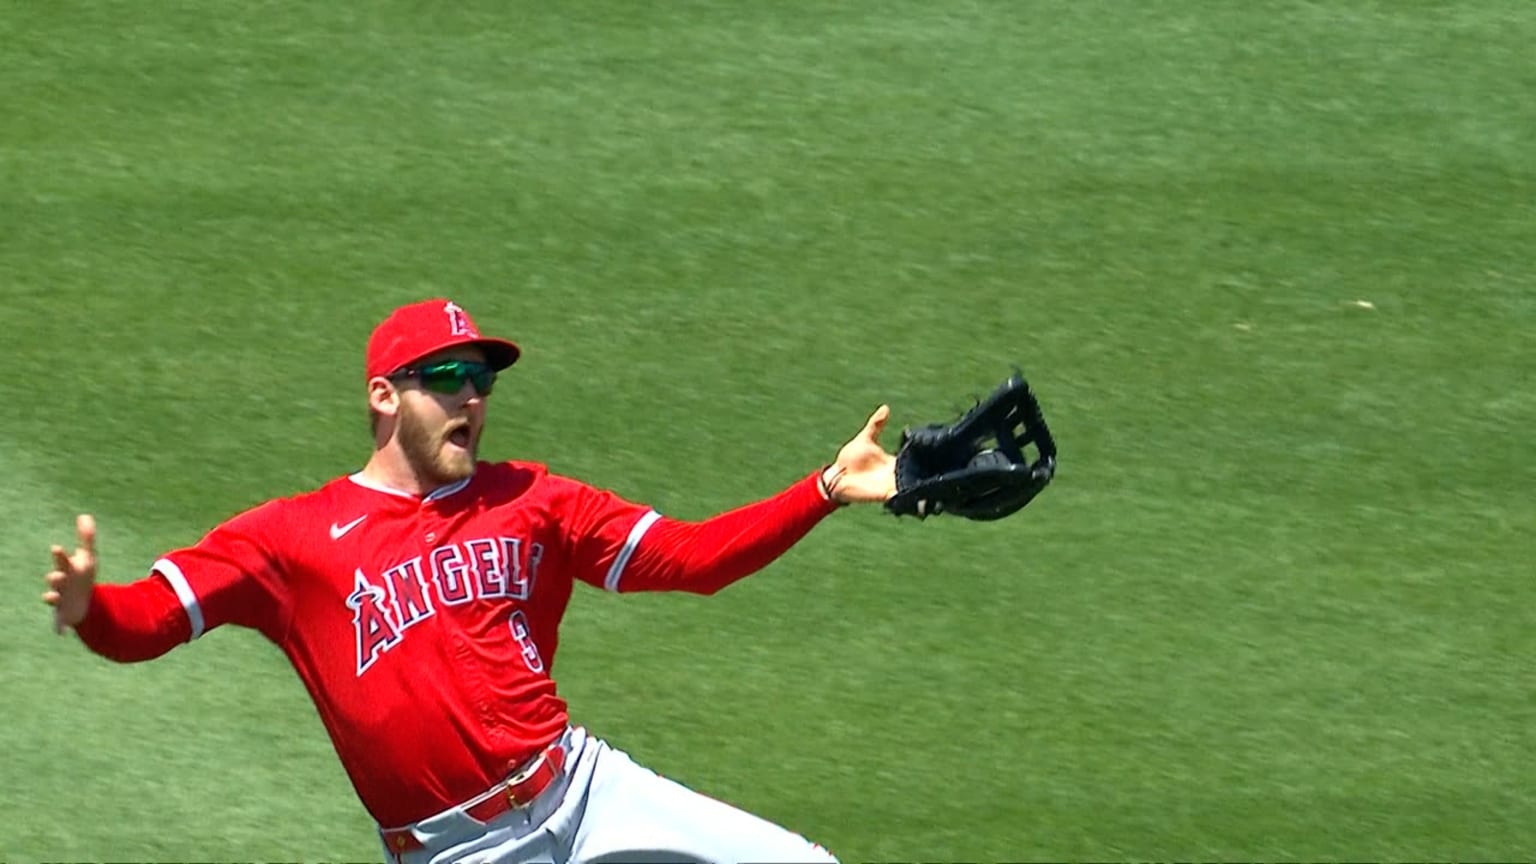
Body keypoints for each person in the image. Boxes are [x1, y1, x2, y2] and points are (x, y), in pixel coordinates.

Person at [42, 298, 899, 864]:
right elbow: (150, 618)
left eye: (480, 380)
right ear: (384, 396)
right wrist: (91, 609)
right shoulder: (288, 540)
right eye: (446, 379)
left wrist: (824, 490)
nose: (471, 399)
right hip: (458, 851)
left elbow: (694, 559)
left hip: (587, 792)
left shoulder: (535, 498)